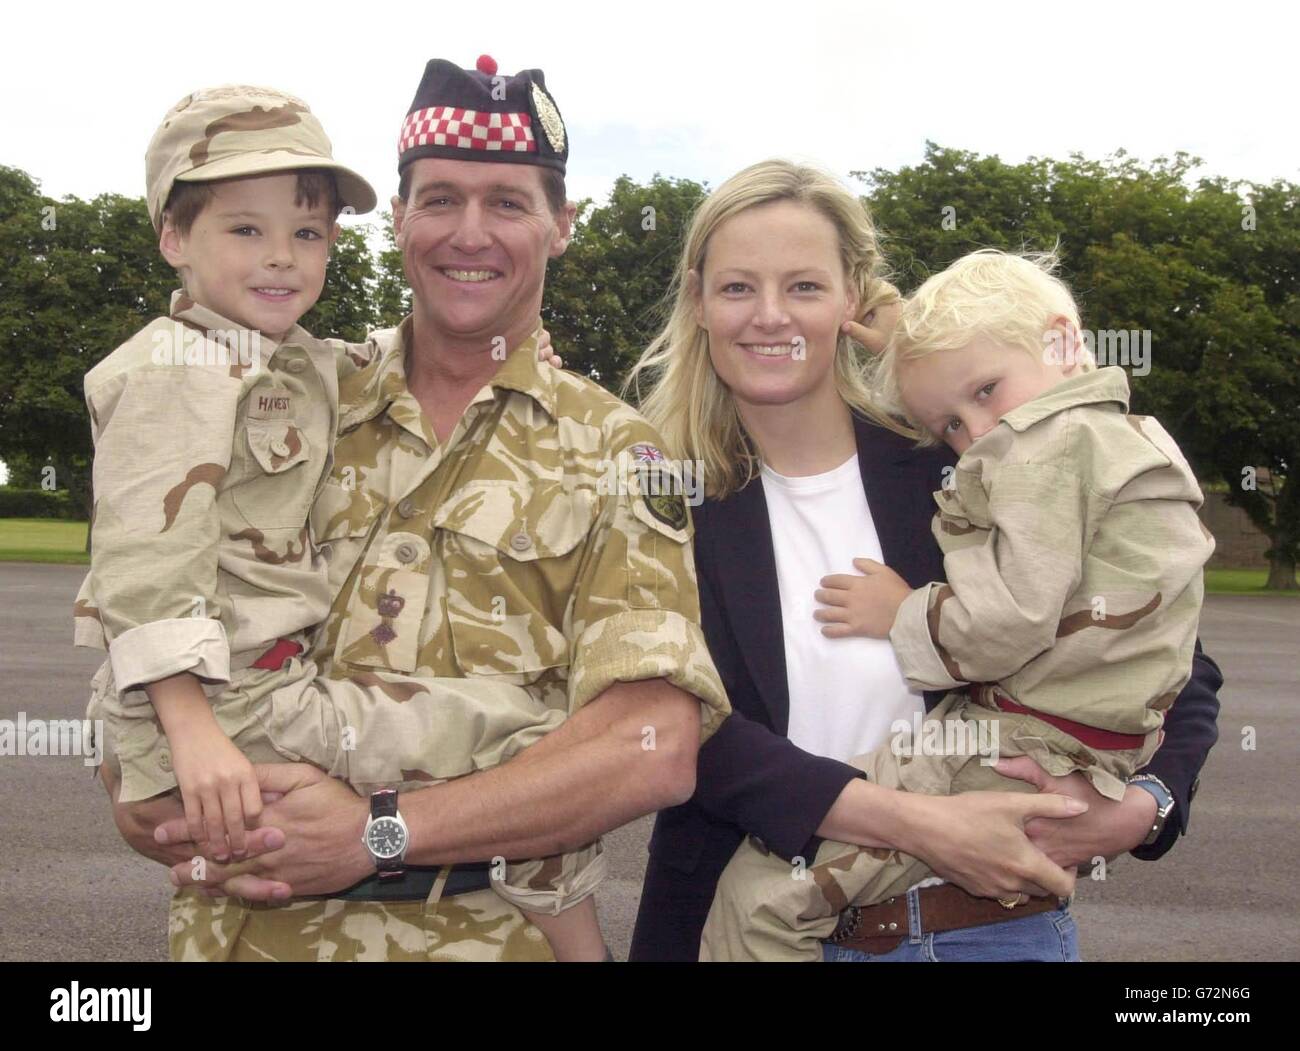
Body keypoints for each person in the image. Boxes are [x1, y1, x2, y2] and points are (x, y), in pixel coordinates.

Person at [99, 57, 731, 962]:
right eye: (439, 199)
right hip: (248, 928)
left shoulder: (625, 454)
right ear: (397, 219)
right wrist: (151, 783)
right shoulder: (285, 399)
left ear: (562, 225)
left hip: (490, 931)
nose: (468, 234)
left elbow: (653, 743)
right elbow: (139, 621)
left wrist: (377, 831)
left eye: (508, 204)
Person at [625, 159, 1223, 962]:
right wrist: (913, 820)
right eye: (738, 288)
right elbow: (667, 725)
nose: (770, 316)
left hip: (985, 925)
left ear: (853, 300)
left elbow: (1164, 648)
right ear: (698, 300)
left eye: (804, 286)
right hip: (734, 919)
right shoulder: (657, 494)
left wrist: (1144, 806)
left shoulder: (964, 464)